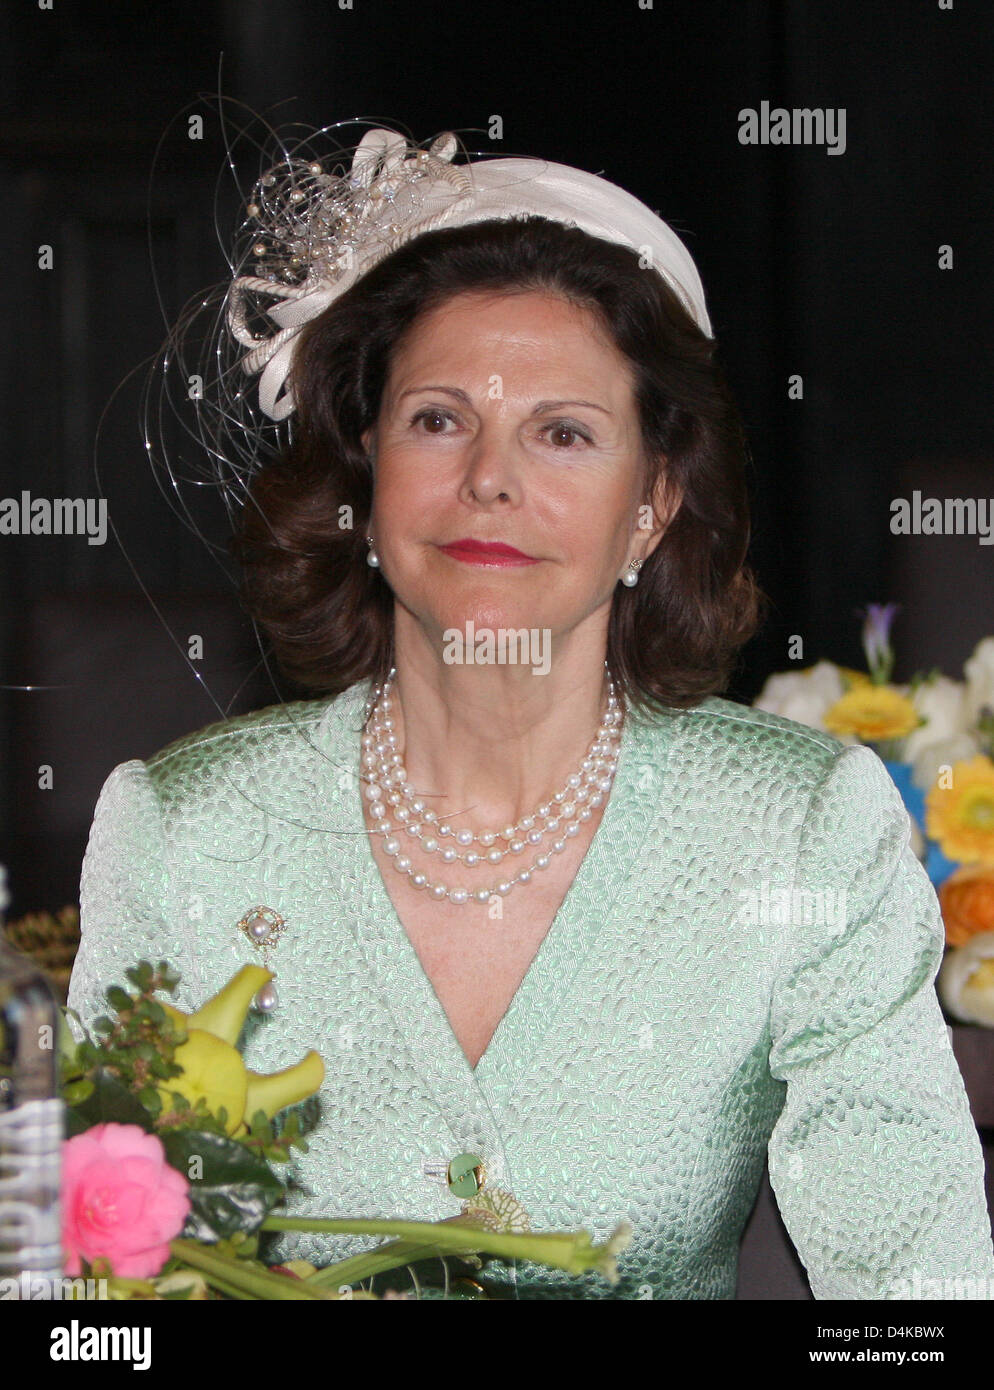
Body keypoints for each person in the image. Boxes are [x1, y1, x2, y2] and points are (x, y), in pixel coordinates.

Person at [66, 124, 994, 1300]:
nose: (490, 479)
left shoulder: (797, 830)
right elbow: (86, 1307)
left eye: (562, 432)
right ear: (366, 476)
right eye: (439, 419)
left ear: (652, 505)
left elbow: (919, 1306)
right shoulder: (183, 834)